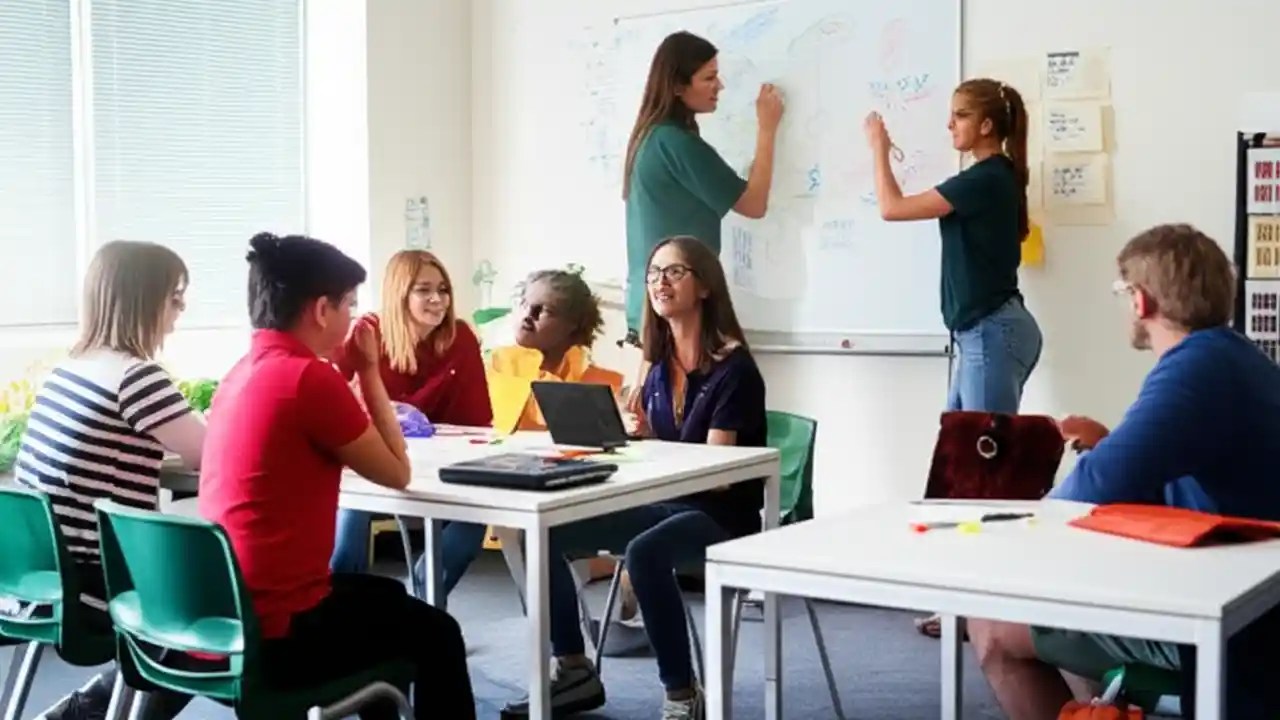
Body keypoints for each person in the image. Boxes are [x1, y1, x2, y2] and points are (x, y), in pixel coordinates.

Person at [967, 224, 1280, 720]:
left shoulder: (1193, 372)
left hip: (1235, 621)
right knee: (1072, 604)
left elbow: (1082, 495)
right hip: (1249, 590)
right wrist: (1107, 442)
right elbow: (1165, 467)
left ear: (1140, 301)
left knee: (990, 624)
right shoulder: (1235, 357)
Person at [198, 232, 476, 719]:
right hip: (278, 631)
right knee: (437, 632)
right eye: (348, 305)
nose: (352, 317)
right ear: (322, 309)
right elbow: (396, 470)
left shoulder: (243, 370)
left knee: (387, 598)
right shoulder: (309, 378)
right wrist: (368, 371)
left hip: (224, 606)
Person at [502, 236, 767, 720]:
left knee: (646, 553)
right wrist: (637, 435)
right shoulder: (659, 367)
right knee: (540, 534)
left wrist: (656, 454)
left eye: (674, 272)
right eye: (653, 274)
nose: (659, 283)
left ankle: (683, 696)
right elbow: (662, 450)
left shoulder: (735, 369)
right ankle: (575, 668)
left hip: (723, 516)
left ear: (704, 286)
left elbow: (719, 476)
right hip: (670, 501)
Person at [865, 78, 1045, 639]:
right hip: (981, 335)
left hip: (992, 335)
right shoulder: (994, 178)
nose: (950, 127)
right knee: (962, 473)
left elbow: (892, 208)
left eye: (959, 117)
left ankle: (991, 608)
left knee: (989, 477)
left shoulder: (985, 178)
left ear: (987, 126)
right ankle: (964, 602)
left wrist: (876, 146)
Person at [14, 241, 203, 720]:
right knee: (217, 608)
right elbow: (212, 454)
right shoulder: (136, 377)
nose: (179, 311)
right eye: (175, 297)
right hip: (97, 580)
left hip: (42, 575)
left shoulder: (70, 369)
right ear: (144, 300)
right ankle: (89, 712)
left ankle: (82, 710)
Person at [328, 250, 492, 592]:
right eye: (424, 290)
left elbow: (477, 421)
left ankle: (424, 592)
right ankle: (340, 609)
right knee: (351, 517)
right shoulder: (367, 333)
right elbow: (329, 390)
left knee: (477, 514)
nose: (438, 299)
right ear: (399, 294)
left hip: (438, 459)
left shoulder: (460, 337)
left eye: (443, 289)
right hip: (372, 456)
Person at [622, 30, 784, 341]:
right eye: (709, 78)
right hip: (674, 310)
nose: (719, 86)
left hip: (651, 308)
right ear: (679, 86)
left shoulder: (649, 138)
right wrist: (767, 128)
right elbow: (753, 204)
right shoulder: (676, 143)